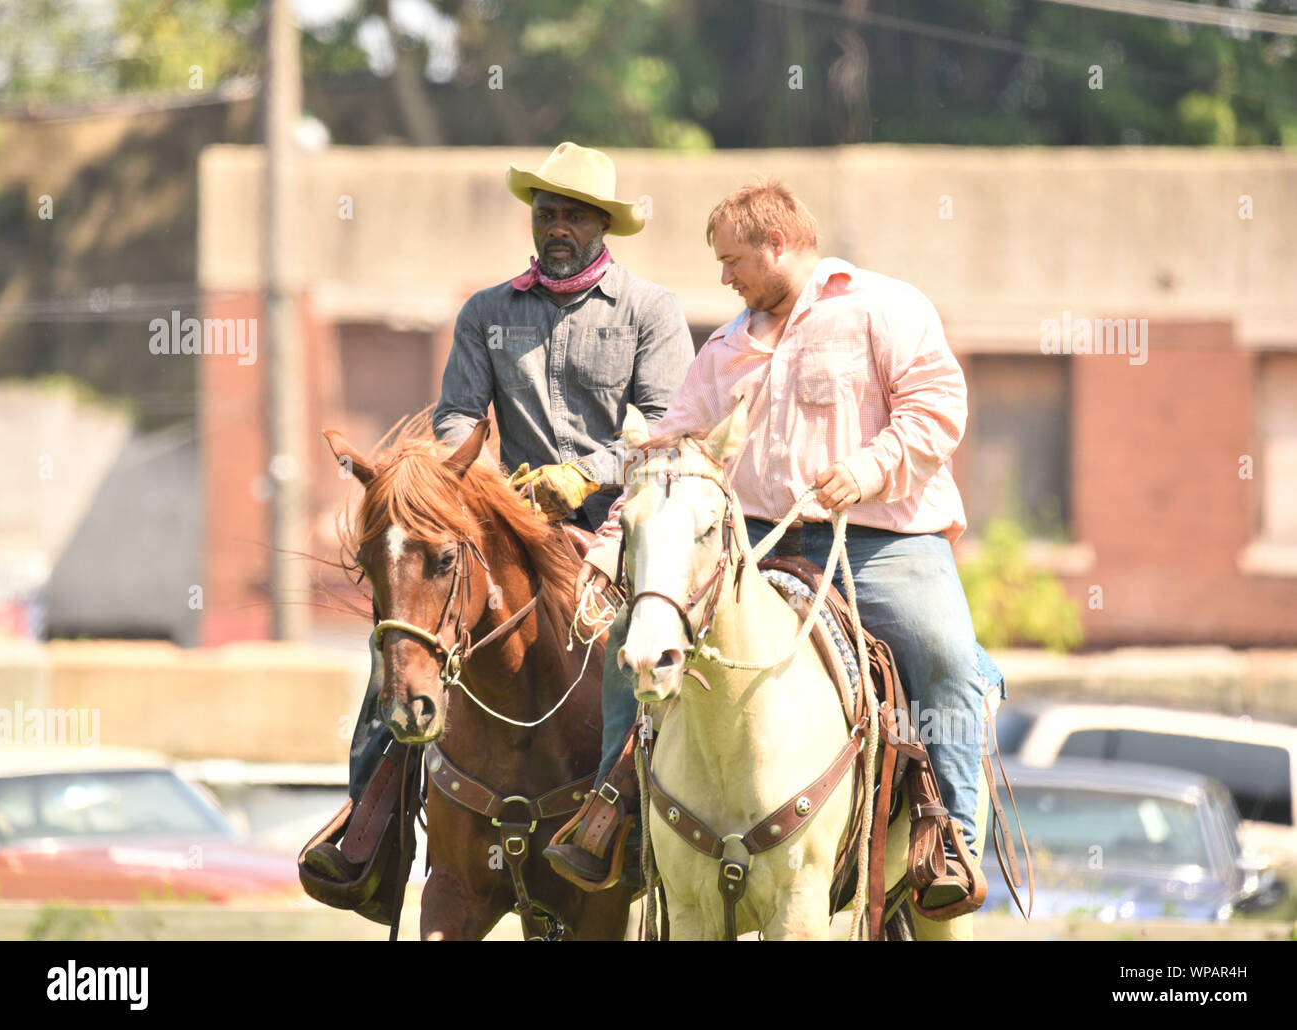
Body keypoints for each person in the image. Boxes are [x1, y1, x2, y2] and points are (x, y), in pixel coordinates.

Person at [544, 178, 1005, 912]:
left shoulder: (884, 307)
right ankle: (615, 814)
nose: (724, 278)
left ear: (777, 245)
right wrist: (609, 547)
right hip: (757, 541)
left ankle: (944, 837)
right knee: (637, 637)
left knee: (944, 653)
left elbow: (938, 408)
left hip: (886, 539)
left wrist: (868, 468)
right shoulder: (725, 346)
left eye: (733, 261)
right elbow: (669, 455)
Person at [300, 142, 695, 921]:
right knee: (409, 636)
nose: (556, 226)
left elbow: (669, 431)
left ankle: (669, 826)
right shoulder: (486, 311)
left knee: (662, 642)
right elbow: (455, 414)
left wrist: (588, 472)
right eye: (546, 212)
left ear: (601, 225)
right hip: (511, 525)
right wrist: (474, 477)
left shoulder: (650, 311)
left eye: (572, 215)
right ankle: (368, 829)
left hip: (624, 520)